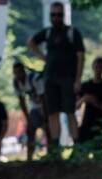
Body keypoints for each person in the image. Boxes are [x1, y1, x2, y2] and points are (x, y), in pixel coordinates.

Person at [27, 1, 83, 152]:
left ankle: (76, 147)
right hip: (50, 78)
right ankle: (55, 148)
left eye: (59, 14)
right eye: (53, 15)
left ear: (63, 15)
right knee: (52, 113)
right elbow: (31, 42)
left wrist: (78, 79)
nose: (56, 17)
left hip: (68, 78)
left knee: (70, 112)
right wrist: (43, 57)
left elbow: (80, 56)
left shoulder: (72, 32)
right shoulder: (48, 32)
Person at [12, 61, 47, 160]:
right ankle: (29, 157)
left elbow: (43, 98)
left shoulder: (34, 78)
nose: (18, 75)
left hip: (46, 105)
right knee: (30, 130)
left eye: (19, 72)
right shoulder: (16, 83)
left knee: (47, 129)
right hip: (34, 107)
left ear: (23, 71)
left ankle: (52, 154)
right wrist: (28, 117)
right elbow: (22, 101)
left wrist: (45, 115)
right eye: (15, 73)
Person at [76, 56, 102, 144]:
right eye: (96, 66)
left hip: (100, 125)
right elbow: (76, 106)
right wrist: (84, 99)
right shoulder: (85, 86)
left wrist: (96, 103)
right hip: (86, 123)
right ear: (92, 67)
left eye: (100, 67)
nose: (98, 69)